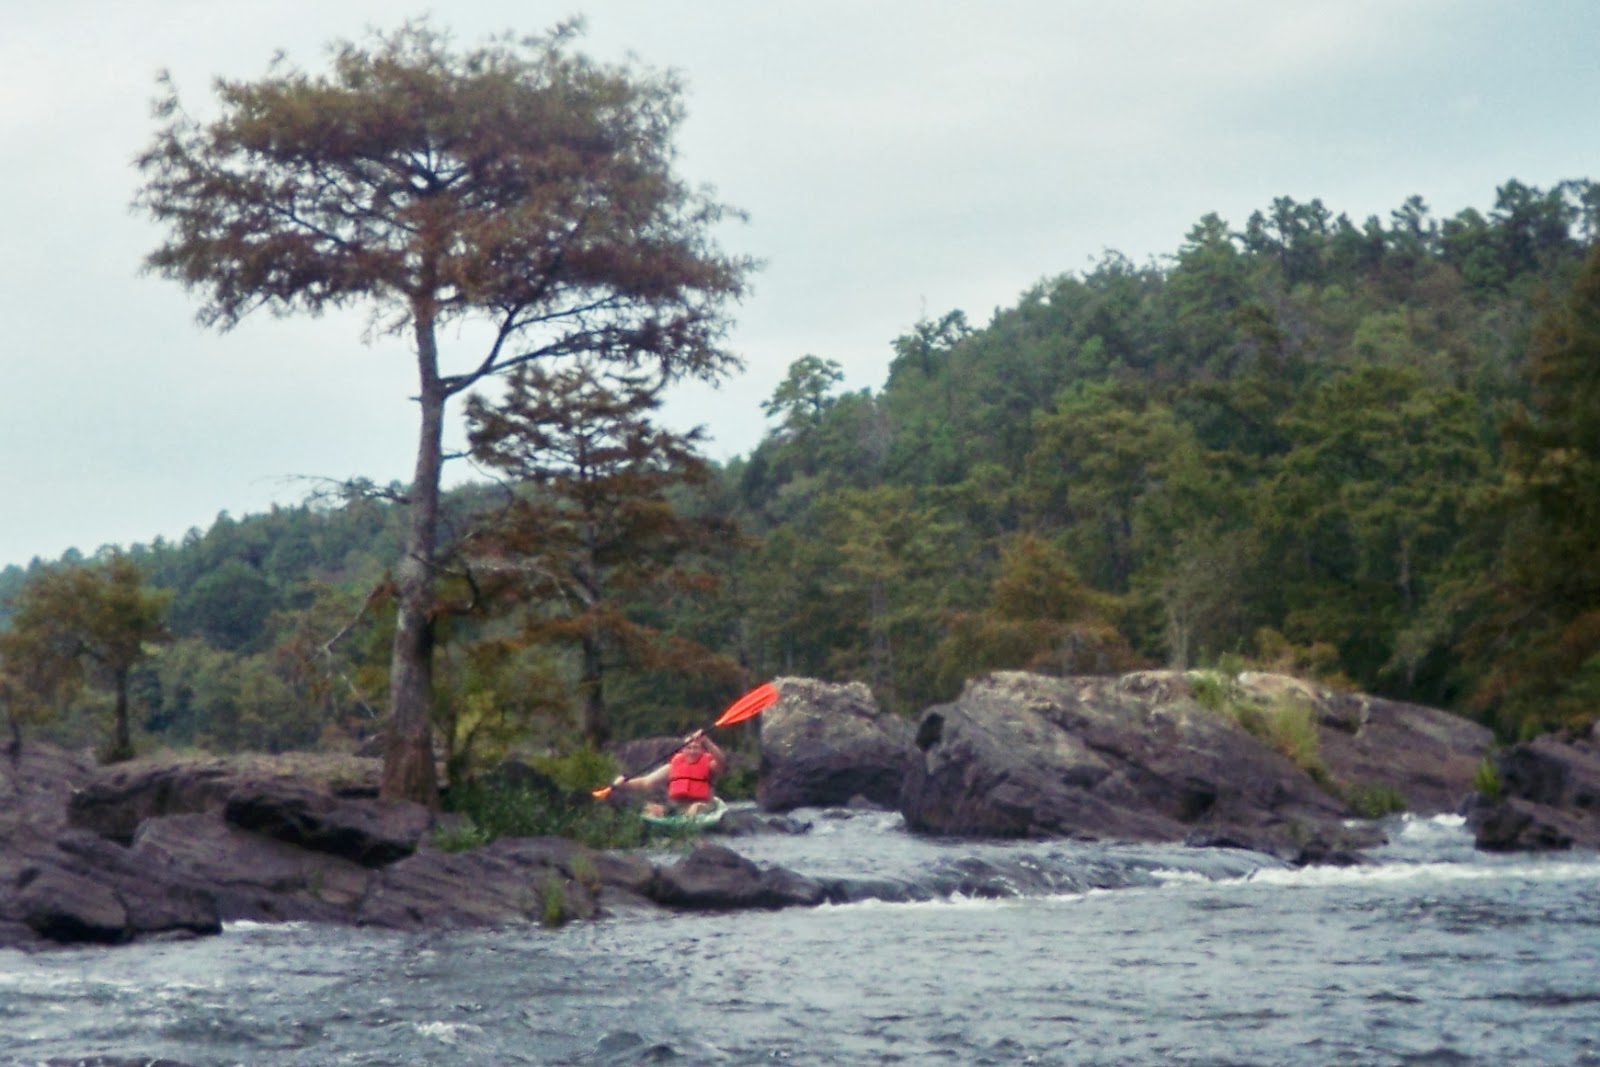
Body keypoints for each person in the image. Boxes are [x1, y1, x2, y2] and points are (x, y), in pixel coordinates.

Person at [612, 729, 728, 817]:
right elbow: (645, 782)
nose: (692, 751)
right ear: (682, 749)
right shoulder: (672, 767)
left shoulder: (710, 765)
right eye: (688, 747)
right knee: (652, 808)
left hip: (702, 805)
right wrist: (624, 783)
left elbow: (722, 762)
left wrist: (707, 741)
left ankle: (688, 825)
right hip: (676, 806)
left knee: (695, 808)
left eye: (696, 748)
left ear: (702, 750)